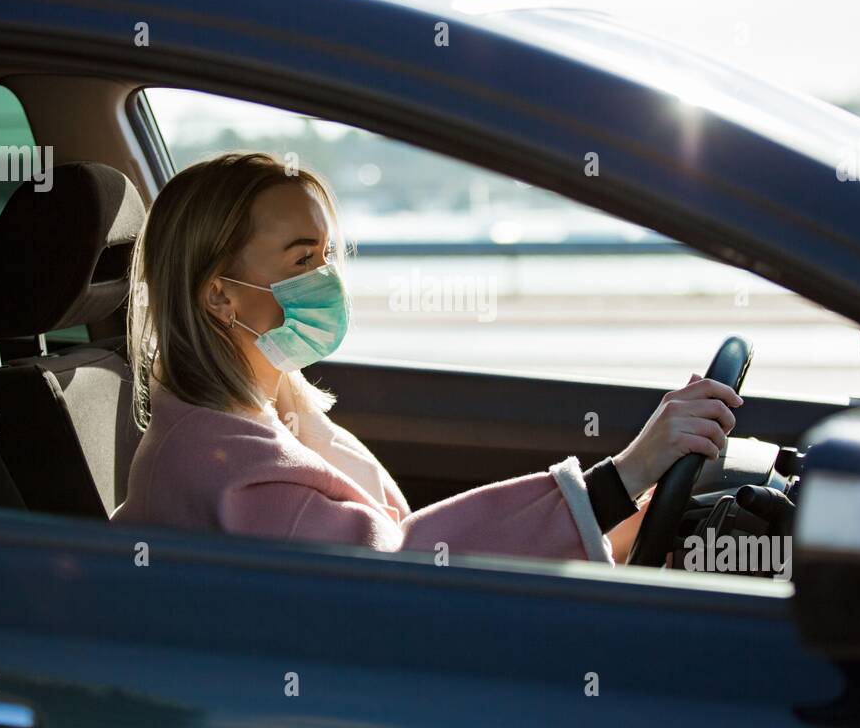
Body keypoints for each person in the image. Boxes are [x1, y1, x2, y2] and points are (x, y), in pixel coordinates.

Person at [112, 153, 740, 565]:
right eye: (303, 260)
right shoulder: (227, 468)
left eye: (328, 255)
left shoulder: (274, 415)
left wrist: (621, 521)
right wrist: (618, 480)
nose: (327, 278)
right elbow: (402, 571)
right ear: (220, 296)